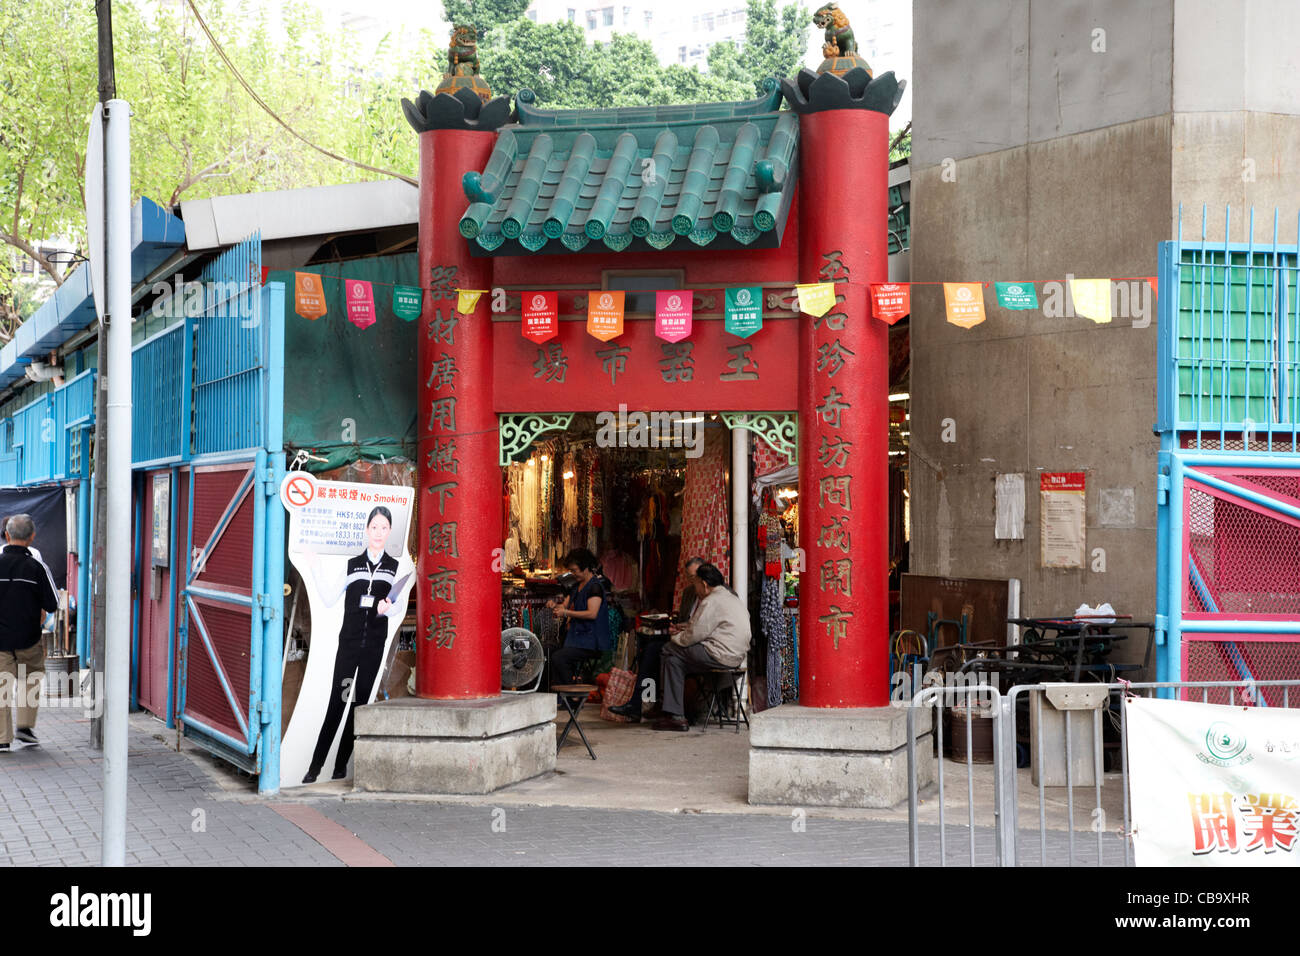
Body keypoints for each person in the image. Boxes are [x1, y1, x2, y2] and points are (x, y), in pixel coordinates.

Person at [301, 506, 408, 784]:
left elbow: (399, 605)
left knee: (359, 704)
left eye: (384, 528)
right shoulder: (352, 565)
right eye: (374, 527)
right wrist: (315, 568)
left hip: (373, 647)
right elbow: (328, 598)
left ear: (389, 531)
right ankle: (315, 766)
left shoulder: (393, 568)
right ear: (367, 529)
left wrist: (388, 607)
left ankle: (340, 766)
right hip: (348, 645)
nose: (379, 533)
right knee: (337, 702)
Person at [652, 562, 751, 732]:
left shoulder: (711, 601)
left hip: (719, 655)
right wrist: (685, 629)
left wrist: (675, 637)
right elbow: (707, 627)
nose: (695, 588)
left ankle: (668, 709)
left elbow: (692, 636)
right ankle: (675, 715)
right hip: (736, 657)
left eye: (695, 583)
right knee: (673, 661)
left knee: (668, 649)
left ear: (704, 584)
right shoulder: (731, 598)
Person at [609, 555, 705, 722]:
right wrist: (676, 625)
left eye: (695, 576)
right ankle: (644, 702)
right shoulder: (689, 592)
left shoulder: (712, 593)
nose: (693, 580)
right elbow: (684, 619)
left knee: (661, 653)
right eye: (690, 577)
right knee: (649, 649)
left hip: (699, 642)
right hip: (683, 637)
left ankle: (651, 704)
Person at [0, 514, 59, 752]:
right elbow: (53, 603)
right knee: (30, 678)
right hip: (29, 638)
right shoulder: (37, 567)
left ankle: (2, 738)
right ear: (32, 537)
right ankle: (24, 727)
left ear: (7, 535)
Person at [547, 548, 612, 687]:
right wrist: (555, 606)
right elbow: (564, 606)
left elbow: (592, 613)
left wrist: (566, 613)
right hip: (577, 639)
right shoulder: (576, 587)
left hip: (591, 641)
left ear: (586, 567)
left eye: (575, 570)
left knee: (559, 657)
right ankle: (559, 692)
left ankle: (571, 693)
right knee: (548, 650)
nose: (573, 573)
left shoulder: (595, 587)